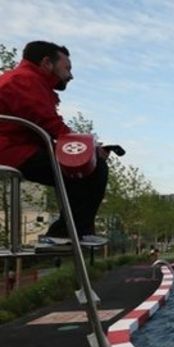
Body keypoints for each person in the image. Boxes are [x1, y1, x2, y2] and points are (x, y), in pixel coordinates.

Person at [0, 41, 110, 244]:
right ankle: (65, 233)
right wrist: (89, 150)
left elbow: (46, 127)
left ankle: (70, 231)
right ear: (47, 63)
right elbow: (50, 124)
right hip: (11, 151)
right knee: (92, 169)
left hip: (16, 148)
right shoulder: (24, 81)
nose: (70, 75)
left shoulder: (24, 80)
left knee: (78, 171)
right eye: (67, 68)